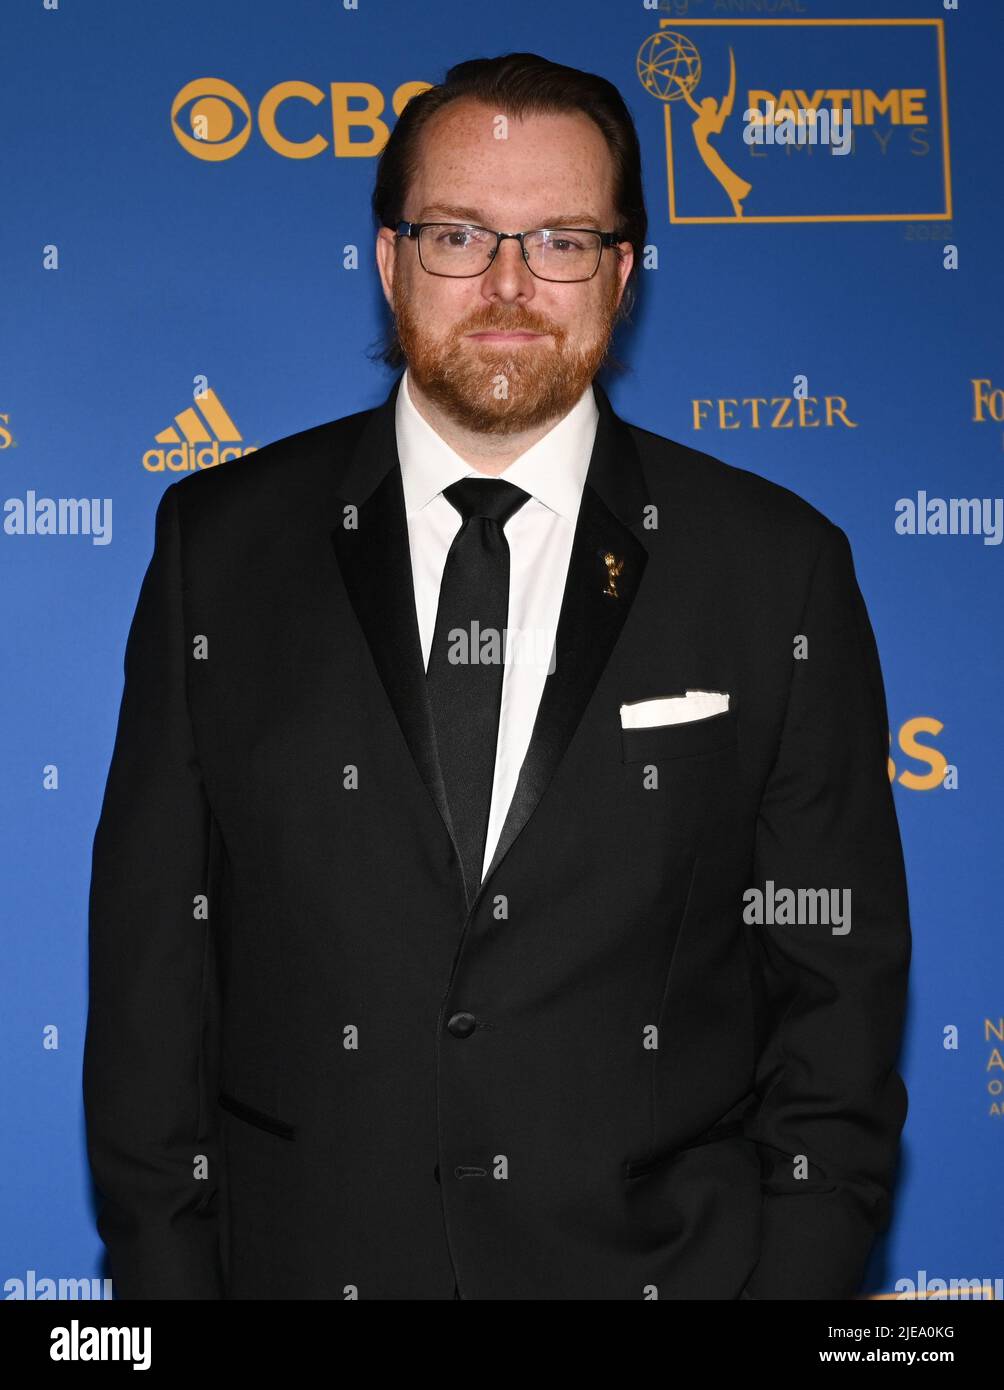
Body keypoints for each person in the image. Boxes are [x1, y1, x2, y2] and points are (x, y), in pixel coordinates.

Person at [83, 52, 910, 1300]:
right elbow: (153, 975)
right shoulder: (221, 546)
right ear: (387, 258)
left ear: (622, 273)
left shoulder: (772, 568)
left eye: (562, 240)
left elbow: (831, 984)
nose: (510, 285)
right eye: (461, 233)